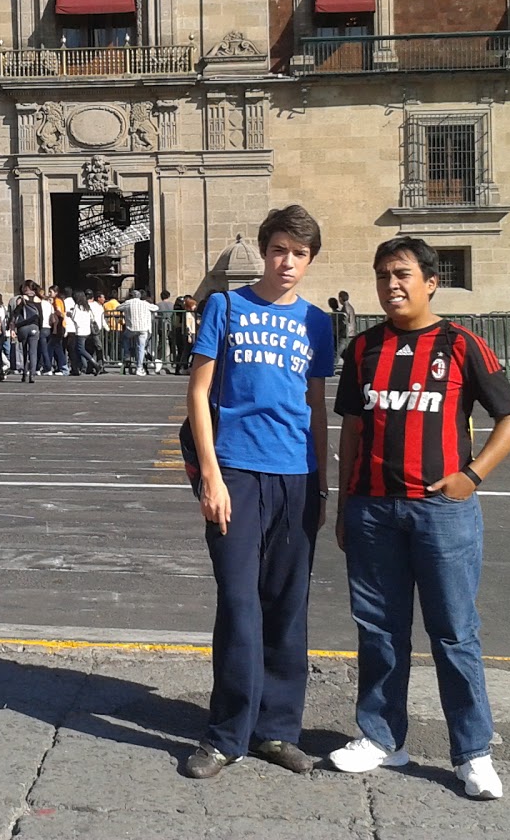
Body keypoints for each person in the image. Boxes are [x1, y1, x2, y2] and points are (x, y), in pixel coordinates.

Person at [330, 236, 510, 802]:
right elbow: (355, 428)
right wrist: (346, 504)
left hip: (443, 510)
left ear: (430, 281)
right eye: (382, 275)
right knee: (379, 630)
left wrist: (474, 473)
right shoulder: (363, 348)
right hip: (372, 510)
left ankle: (473, 753)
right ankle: (382, 738)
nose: (391, 284)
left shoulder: (462, 344)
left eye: (402, 274)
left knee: (454, 632)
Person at [180, 205, 335, 781]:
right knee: (240, 605)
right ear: (265, 252)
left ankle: (277, 731)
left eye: (299, 254)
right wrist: (212, 476)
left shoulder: (318, 323)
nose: (287, 262)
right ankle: (225, 735)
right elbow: (199, 393)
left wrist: (321, 483)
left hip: (296, 475)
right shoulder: (226, 305)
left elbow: (314, 405)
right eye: (279, 250)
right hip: (238, 472)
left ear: (309, 260)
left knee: (287, 606)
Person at [9, 282, 43, 385]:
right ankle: (32, 374)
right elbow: (40, 316)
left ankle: (24, 373)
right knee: (33, 352)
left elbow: (15, 314)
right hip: (34, 327)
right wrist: (39, 328)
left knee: (24, 351)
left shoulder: (21, 298)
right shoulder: (38, 299)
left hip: (23, 327)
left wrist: (12, 328)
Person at [121, 289, 156, 376]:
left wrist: (126, 310)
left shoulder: (128, 303)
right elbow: (156, 308)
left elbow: (118, 307)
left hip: (131, 328)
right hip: (143, 328)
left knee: (125, 337)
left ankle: (127, 354)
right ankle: (139, 367)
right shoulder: (144, 303)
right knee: (141, 347)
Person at [63, 291, 95, 376]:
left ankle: (93, 363)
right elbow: (92, 318)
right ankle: (84, 366)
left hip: (79, 330)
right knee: (80, 349)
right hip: (87, 330)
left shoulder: (77, 306)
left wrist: (70, 315)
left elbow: (75, 318)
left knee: (80, 349)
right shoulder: (87, 307)